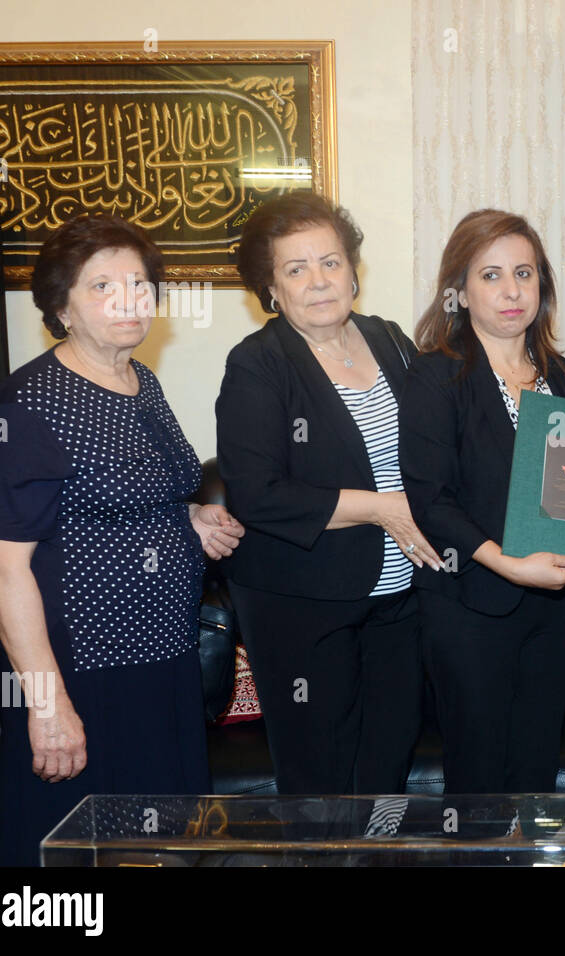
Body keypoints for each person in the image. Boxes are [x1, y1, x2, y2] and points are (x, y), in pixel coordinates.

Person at [0, 214, 244, 866]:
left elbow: (120, 493)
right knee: (73, 852)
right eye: (103, 286)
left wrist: (186, 517)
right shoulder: (30, 404)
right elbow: (4, 567)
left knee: (166, 840)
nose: (130, 299)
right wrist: (47, 706)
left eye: (140, 283)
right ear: (60, 307)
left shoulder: (140, 381)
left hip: (164, 655)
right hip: (86, 667)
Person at [215, 192, 438, 795]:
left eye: (331, 262)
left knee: (389, 759)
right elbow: (256, 494)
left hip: (401, 598)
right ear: (270, 289)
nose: (318, 281)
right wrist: (383, 508)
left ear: (353, 271)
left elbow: (435, 443)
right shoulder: (258, 365)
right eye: (296, 269)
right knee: (321, 777)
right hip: (303, 603)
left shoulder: (389, 339)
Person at [400, 209, 565, 794]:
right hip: (469, 604)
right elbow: (431, 502)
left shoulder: (559, 375)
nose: (511, 291)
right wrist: (508, 564)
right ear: (458, 292)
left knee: (536, 771)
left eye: (524, 273)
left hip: (551, 606)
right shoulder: (436, 375)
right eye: (490, 276)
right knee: (479, 780)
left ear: (543, 284)